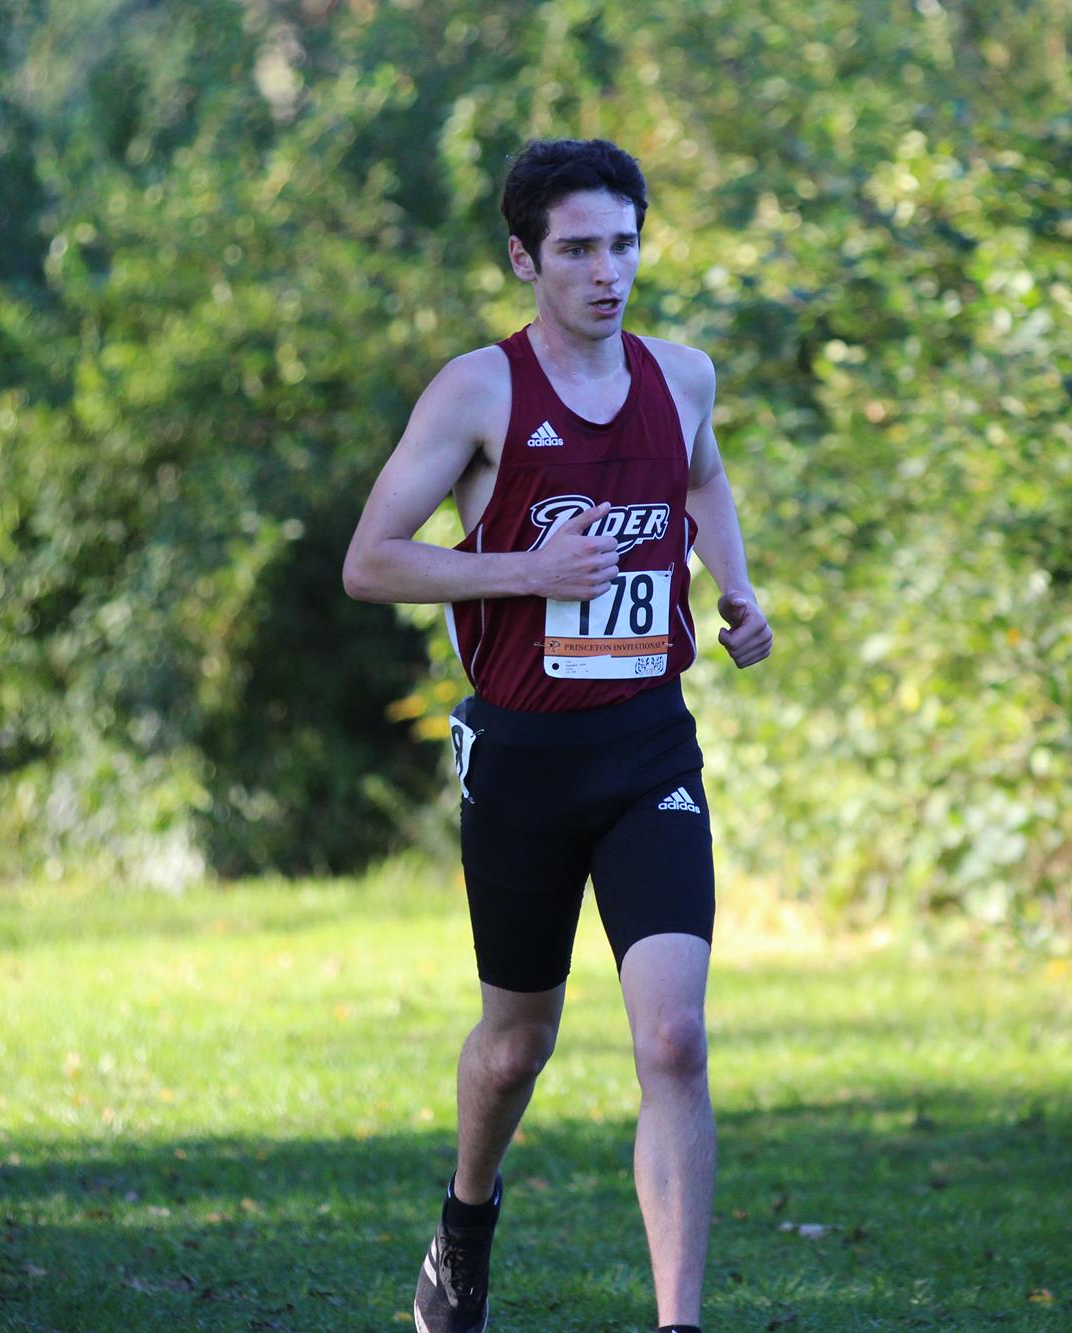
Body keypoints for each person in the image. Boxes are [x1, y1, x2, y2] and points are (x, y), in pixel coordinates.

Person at [343, 137, 771, 1333]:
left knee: (674, 1037)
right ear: (524, 256)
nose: (607, 271)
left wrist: (737, 590)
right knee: (513, 1046)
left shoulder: (680, 375)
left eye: (624, 244)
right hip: (523, 760)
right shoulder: (478, 391)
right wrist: (524, 567)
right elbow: (368, 561)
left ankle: (677, 1322)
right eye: (578, 248)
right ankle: (464, 1219)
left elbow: (703, 484)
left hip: (647, 750)